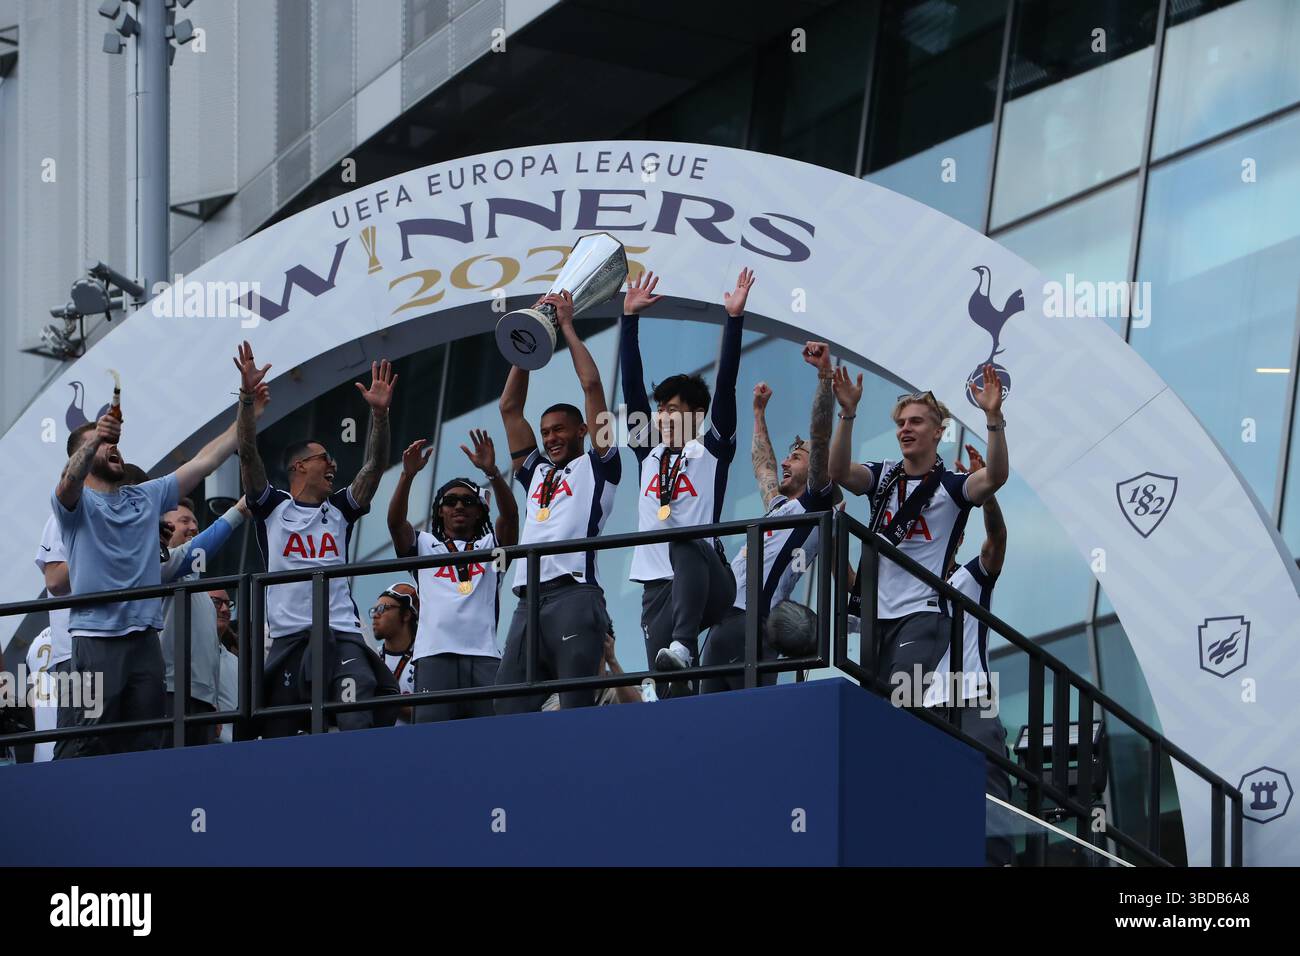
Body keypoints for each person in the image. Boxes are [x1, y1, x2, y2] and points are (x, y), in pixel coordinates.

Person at [50, 386, 269, 759]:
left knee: (147, 745)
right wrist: (94, 441)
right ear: (81, 456)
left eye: (112, 443)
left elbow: (207, 459)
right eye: (99, 444)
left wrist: (248, 407)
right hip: (94, 639)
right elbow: (68, 482)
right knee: (85, 744)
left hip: (145, 641)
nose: (112, 447)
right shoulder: (76, 505)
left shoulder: (145, 496)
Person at [234, 341, 398, 736]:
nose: (334, 465)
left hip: (341, 635)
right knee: (283, 731)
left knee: (356, 707)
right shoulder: (272, 507)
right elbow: (246, 453)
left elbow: (374, 467)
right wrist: (245, 399)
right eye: (325, 458)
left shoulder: (339, 510)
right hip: (290, 640)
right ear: (300, 466)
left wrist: (380, 416)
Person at [828, 363, 1009, 693]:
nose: (905, 429)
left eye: (915, 422)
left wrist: (993, 418)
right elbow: (838, 471)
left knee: (904, 700)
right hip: (875, 617)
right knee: (878, 709)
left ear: (938, 431)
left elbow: (996, 477)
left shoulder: (954, 487)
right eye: (900, 423)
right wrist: (847, 413)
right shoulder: (883, 476)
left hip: (923, 616)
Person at [620, 267, 754, 696]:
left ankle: (685, 641)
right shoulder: (648, 456)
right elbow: (632, 388)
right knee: (668, 691)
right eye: (662, 409)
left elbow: (727, 386)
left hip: (709, 580)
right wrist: (629, 320)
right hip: (656, 589)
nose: (664, 415)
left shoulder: (710, 451)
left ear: (696, 415)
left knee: (685, 540)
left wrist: (733, 321)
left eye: (675, 408)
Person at [495, 291, 620, 713]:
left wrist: (565, 326)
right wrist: (528, 337)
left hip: (574, 596)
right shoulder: (536, 473)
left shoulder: (600, 464)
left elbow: (591, 385)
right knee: (507, 709)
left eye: (559, 430)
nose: (550, 438)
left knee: (575, 709)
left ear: (583, 430)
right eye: (546, 432)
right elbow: (510, 408)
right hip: (526, 601)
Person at [698, 341, 836, 693]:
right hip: (722, 624)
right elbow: (763, 466)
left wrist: (824, 377)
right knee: (700, 722)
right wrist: (758, 414)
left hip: (755, 627)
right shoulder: (779, 507)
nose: (788, 462)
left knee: (746, 724)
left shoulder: (814, 506)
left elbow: (820, 438)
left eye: (798, 456)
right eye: (789, 455)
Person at [389, 429, 517, 722]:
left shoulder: (490, 546)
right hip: (434, 657)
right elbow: (395, 523)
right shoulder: (424, 544)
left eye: (468, 501)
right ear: (440, 511)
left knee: (488, 743)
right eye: (450, 501)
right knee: (433, 744)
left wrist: (493, 473)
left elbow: (510, 518)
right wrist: (407, 477)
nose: (459, 505)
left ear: (478, 512)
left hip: (484, 657)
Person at [927, 444, 1013, 864]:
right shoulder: (896, 582)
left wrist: (988, 494)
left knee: (989, 815)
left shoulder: (969, 577)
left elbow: (997, 539)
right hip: (917, 710)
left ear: (956, 538)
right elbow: (853, 585)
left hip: (969, 702)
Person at [159, 496, 250, 746]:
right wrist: (238, 511)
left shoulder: (201, 590)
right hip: (168, 694)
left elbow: (209, 651)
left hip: (202, 703)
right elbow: (196, 550)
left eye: (195, 522)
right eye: (184, 521)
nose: (193, 528)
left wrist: (214, 703)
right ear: (164, 529)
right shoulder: (159, 568)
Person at [541, 633, 642, 710]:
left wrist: (612, 661)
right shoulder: (561, 693)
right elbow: (550, 725)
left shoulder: (623, 686)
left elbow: (641, 714)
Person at [369, 583, 419, 725]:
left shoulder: (425, 659)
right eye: (374, 610)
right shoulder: (370, 657)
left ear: (406, 615)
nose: (375, 615)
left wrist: (387, 699)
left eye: (383, 608)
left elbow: (430, 713)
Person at [209, 589, 239, 744]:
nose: (225, 609)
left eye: (228, 604)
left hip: (244, 748)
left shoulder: (236, 662)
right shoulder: (182, 657)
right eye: (216, 603)